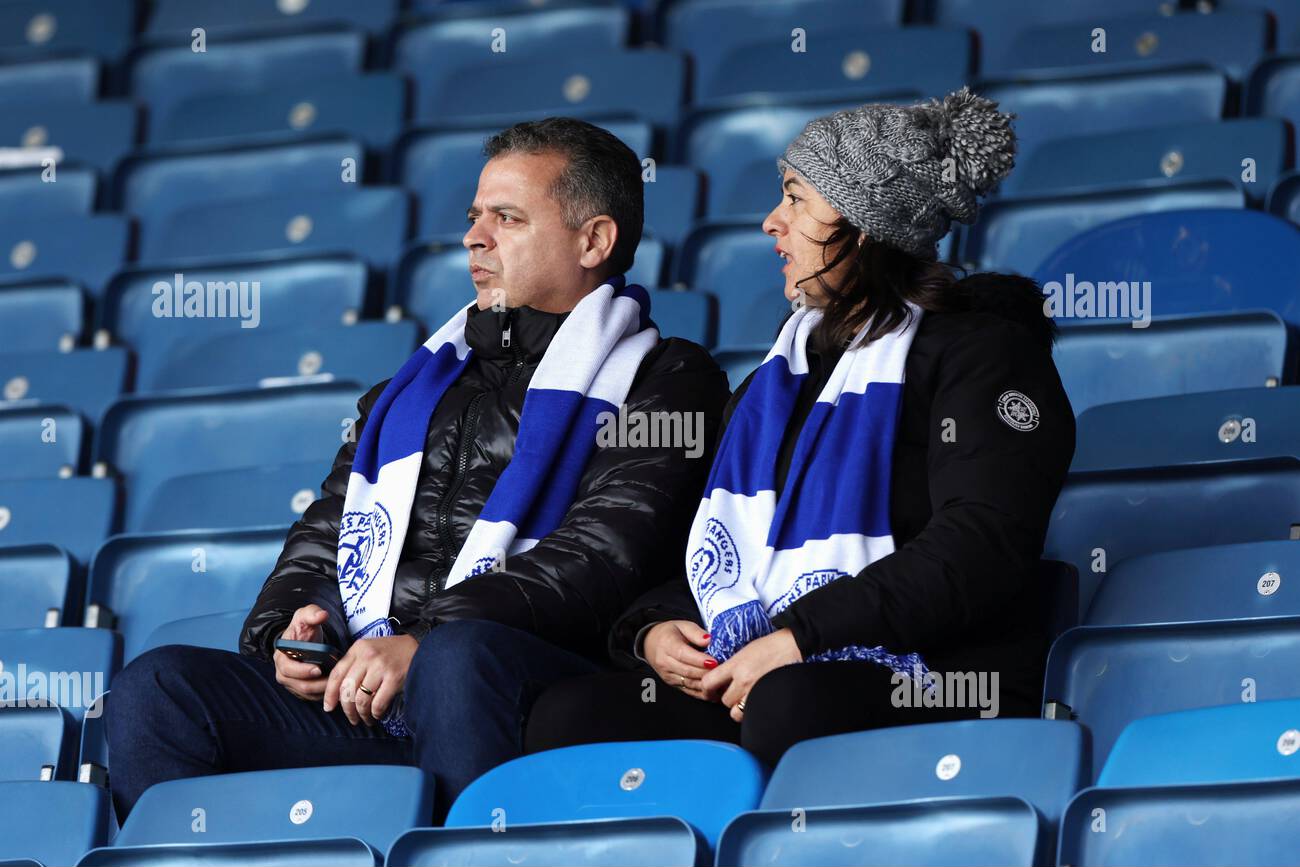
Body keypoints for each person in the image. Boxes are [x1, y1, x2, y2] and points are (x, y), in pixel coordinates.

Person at [105, 117, 730, 823]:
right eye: (473, 217)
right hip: (377, 686)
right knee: (158, 690)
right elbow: (326, 532)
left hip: (527, 684)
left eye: (507, 218)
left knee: (457, 662)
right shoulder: (411, 389)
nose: (475, 237)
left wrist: (422, 641)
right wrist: (294, 627)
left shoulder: (668, 378)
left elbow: (602, 558)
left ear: (594, 241)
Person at [524, 89, 1077, 769]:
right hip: (769, 666)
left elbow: (981, 545)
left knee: (790, 701)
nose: (770, 223)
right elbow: (718, 545)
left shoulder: (983, 354)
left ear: (865, 223)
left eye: (795, 199)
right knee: (570, 715)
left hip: (934, 670)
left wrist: (798, 637)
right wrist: (654, 631)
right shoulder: (775, 382)